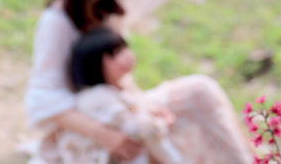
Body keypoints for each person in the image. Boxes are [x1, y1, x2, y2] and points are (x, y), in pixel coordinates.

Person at [24, 0, 253, 164]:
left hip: (122, 105)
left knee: (201, 91)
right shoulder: (56, 22)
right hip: (88, 123)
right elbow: (44, 99)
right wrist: (105, 135)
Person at [57, 27, 185, 164]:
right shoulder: (96, 98)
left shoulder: (121, 88)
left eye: (124, 48)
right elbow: (135, 128)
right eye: (114, 54)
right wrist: (159, 123)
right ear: (94, 65)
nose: (126, 56)